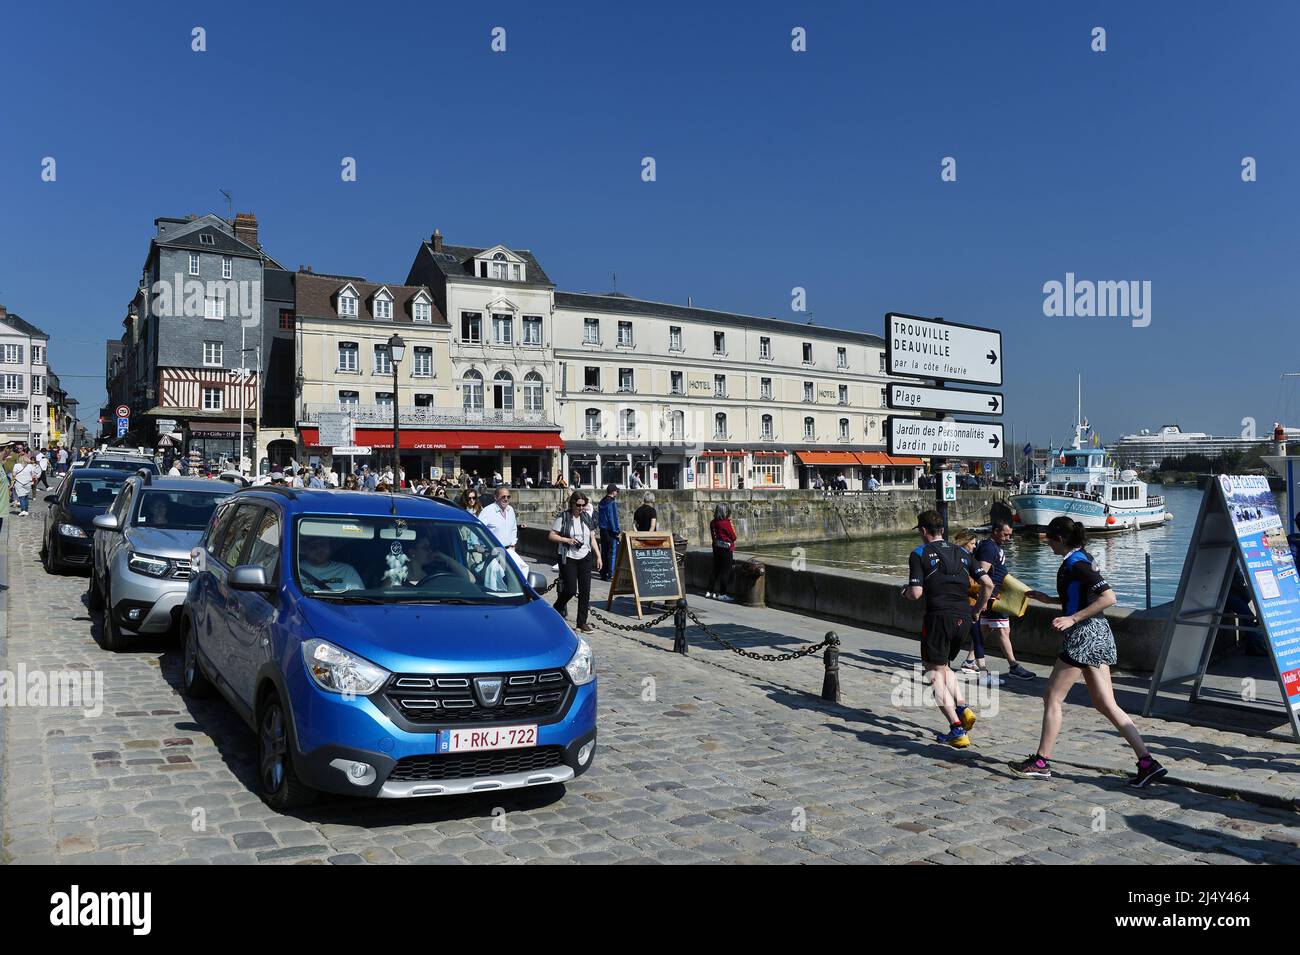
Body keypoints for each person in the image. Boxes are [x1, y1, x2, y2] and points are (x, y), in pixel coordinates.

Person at [1012, 517, 1166, 786]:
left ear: (1059, 539)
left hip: (1084, 636)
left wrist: (1072, 619)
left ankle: (1041, 762)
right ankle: (1147, 762)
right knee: (1106, 703)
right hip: (1097, 633)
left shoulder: (1077, 562)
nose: (1047, 543)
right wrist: (1051, 600)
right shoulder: (1079, 558)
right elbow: (1085, 596)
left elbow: (1109, 597)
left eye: (1049, 539)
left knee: (1052, 697)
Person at [904, 510, 994, 749]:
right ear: (942, 530)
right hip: (964, 617)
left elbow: (916, 593)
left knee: (932, 672)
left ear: (923, 531)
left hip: (938, 617)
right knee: (943, 667)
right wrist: (978, 610)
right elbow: (988, 583)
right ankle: (962, 707)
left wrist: (903, 591)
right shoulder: (963, 552)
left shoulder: (919, 553)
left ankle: (956, 729)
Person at [959, 518, 1035, 681]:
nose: (1008, 538)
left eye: (1010, 535)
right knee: (1003, 629)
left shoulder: (994, 547)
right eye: (1005, 535)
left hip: (993, 594)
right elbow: (982, 574)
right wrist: (984, 599)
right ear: (995, 531)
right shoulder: (988, 548)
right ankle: (1014, 666)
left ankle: (970, 661)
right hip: (992, 596)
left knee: (986, 629)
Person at [549, 490, 601, 633]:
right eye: (578, 505)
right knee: (570, 589)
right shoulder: (564, 517)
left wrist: (598, 556)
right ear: (572, 504)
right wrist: (567, 540)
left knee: (585, 591)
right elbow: (552, 536)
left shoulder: (586, 517)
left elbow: (591, 538)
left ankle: (581, 622)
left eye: (583, 505)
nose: (581, 508)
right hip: (568, 556)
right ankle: (557, 608)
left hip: (585, 556)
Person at [479, 485, 527, 571]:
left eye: (508, 497)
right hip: (493, 550)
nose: (506, 499)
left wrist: (513, 544)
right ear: (496, 497)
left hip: (509, 550)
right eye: (503, 497)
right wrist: (484, 547)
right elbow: (479, 529)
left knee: (522, 569)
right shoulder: (488, 511)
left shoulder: (510, 510)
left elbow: (513, 528)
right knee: (496, 577)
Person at [298, 535, 365, 592]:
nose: (319, 550)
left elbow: (358, 598)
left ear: (329, 546)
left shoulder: (346, 570)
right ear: (305, 549)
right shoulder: (294, 568)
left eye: (322, 545)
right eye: (313, 546)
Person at [707, 504, 737, 600]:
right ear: (724, 512)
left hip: (716, 548)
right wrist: (731, 525)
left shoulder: (713, 523)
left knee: (715, 570)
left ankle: (709, 591)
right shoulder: (725, 523)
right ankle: (722, 594)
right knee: (725, 572)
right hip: (726, 549)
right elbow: (734, 537)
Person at [597, 483, 620, 581]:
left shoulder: (602, 502)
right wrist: (616, 531)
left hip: (603, 530)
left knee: (604, 552)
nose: (617, 493)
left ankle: (603, 572)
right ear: (613, 492)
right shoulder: (612, 503)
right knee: (612, 552)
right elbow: (612, 518)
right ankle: (611, 573)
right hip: (610, 531)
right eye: (616, 491)